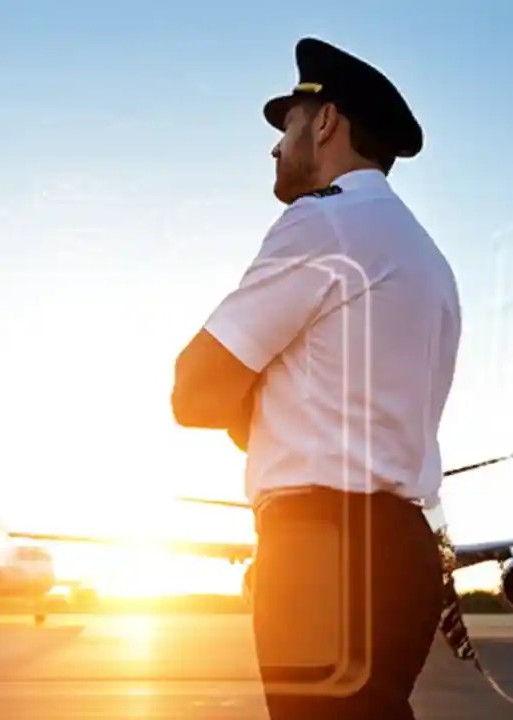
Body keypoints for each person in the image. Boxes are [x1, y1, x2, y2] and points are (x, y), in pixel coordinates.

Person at [171, 37, 462, 719]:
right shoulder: (428, 257)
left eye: (288, 126)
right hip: (404, 550)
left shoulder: (323, 223)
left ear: (326, 121)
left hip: (321, 553)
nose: (276, 148)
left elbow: (192, 390)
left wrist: (253, 402)